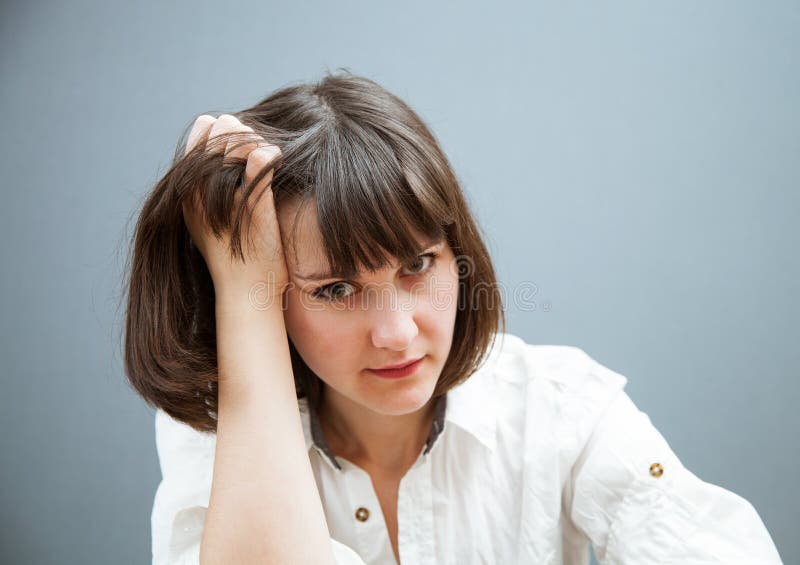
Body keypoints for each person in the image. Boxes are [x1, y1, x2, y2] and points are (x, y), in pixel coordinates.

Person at [124, 72, 783, 565]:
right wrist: (241, 291)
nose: (398, 332)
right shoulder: (218, 432)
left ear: (458, 253)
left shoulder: (558, 406)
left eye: (417, 264)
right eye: (336, 289)